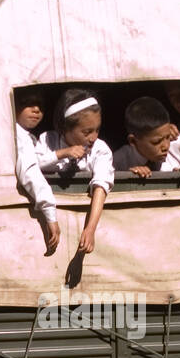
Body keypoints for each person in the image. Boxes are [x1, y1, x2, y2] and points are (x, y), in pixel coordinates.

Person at [37, 88, 113, 254]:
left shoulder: (100, 149)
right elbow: (31, 166)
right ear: (65, 128)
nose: (93, 137)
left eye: (97, 130)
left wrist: (90, 229)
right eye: (86, 132)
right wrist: (62, 153)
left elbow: (101, 185)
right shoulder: (47, 140)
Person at [14, 88, 60, 255]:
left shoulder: (29, 136)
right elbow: (30, 171)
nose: (36, 110)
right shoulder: (19, 137)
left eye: (40, 106)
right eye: (28, 104)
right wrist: (50, 214)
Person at [113, 96, 180, 179]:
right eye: (156, 142)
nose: (165, 146)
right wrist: (131, 177)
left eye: (168, 137)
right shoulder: (118, 161)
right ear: (133, 141)